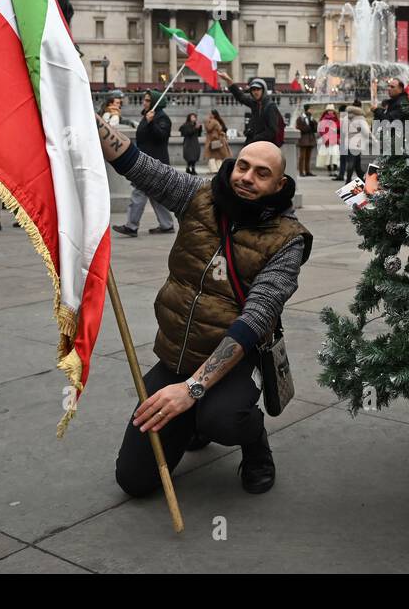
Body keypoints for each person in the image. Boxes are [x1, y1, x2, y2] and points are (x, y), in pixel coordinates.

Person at [93, 113, 312, 496]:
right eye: (242, 166)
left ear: (279, 185)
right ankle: (191, 420)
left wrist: (192, 389)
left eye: (261, 174)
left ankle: (254, 441)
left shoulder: (289, 239)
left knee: (223, 420)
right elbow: (136, 164)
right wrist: (88, 114)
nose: (246, 177)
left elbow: (256, 318)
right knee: (135, 481)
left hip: (236, 361)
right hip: (176, 356)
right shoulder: (199, 196)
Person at [113, 91, 175, 237]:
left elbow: (161, 137)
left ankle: (131, 226)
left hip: (153, 163)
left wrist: (151, 123)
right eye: (144, 100)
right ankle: (167, 225)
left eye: (147, 100)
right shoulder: (147, 116)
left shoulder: (162, 118)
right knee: (155, 196)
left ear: (154, 102)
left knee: (139, 193)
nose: (144, 102)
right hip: (146, 161)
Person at [225, 73, 284, 146]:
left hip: (264, 146)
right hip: (254, 143)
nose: (255, 92)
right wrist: (229, 81)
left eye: (258, 89)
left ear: (263, 90)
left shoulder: (270, 106)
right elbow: (241, 97)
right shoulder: (255, 103)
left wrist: (255, 138)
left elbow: (272, 131)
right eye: (253, 90)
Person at [343, 99, 369, 182]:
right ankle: (348, 180)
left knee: (356, 162)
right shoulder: (360, 117)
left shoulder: (346, 117)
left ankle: (362, 179)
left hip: (348, 142)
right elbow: (366, 131)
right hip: (357, 143)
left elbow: (344, 130)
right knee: (352, 162)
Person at [203, 108, 231, 174]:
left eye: (210, 114)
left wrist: (206, 122)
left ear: (213, 115)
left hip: (213, 140)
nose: (209, 115)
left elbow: (208, 129)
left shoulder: (213, 121)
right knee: (218, 156)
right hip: (218, 140)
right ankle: (218, 169)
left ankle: (214, 169)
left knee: (211, 156)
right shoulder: (218, 121)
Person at [294, 107, 317, 177]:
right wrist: (309, 127)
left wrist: (313, 124)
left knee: (308, 156)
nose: (312, 110)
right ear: (307, 110)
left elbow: (316, 128)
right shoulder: (300, 118)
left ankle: (307, 171)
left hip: (310, 139)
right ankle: (301, 171)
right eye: (310, 109)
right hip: (303, 139)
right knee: (302, 157)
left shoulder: (311, 118)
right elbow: (300, 127)